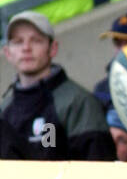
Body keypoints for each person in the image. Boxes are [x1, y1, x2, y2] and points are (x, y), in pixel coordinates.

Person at [0, 10, 114, 160]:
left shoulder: (78, 102)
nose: (26, 48)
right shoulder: (5, 106)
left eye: (36, 40)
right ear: (7, 53)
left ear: (53, 48)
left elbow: (99, 167)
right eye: (18, 42)